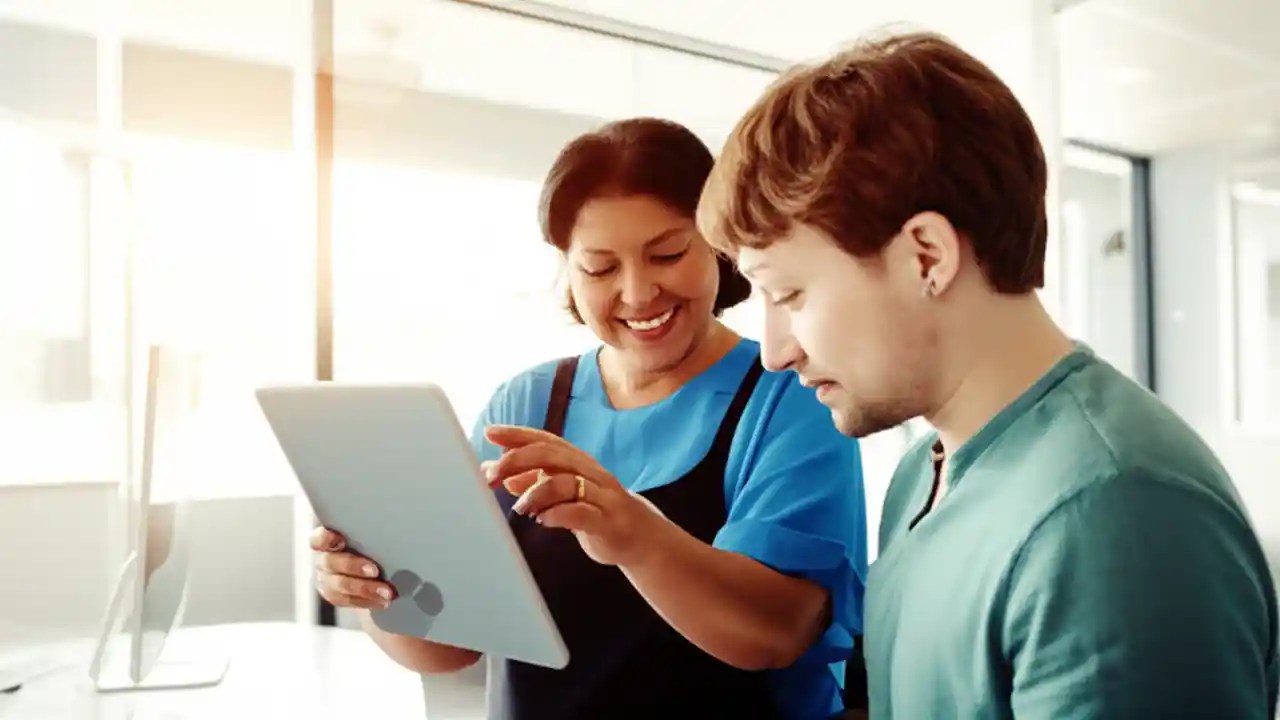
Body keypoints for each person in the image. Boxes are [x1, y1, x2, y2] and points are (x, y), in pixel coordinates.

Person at [697, 31, 1279, 720]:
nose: (773, 350)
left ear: (926, 257)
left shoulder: (1113, 514)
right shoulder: (926, 472)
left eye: (789, 295)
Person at [310, 117, 868, 719]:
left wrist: (632, 534)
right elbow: (449, 646)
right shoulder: (525, 405)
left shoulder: (789, 399)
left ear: (719, 249)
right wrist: (376, 592)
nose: (637, 293)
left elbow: (777, 634)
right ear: (569, 273)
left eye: (668, 253)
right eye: (600, 268)